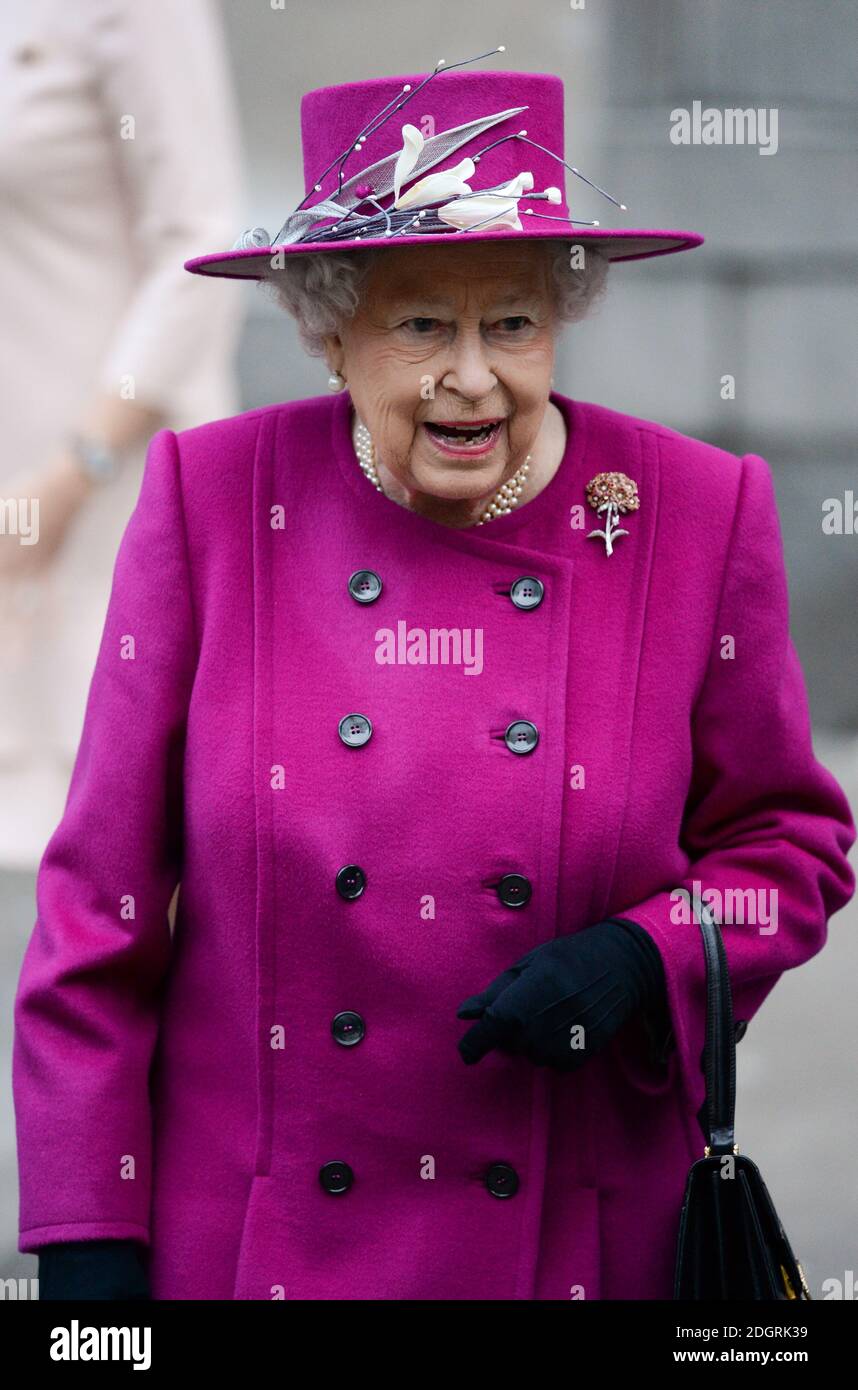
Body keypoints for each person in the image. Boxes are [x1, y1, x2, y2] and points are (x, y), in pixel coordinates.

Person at [15, 53, 855, 1301]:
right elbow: (99, 910)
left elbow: (788, 846)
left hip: (580, 1240)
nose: (474, 376)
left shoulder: (690, 509)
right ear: (330, 330)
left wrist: (652, 954)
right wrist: (87, 1246)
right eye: (422, 325)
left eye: (511, 322)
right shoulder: (213, 500)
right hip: (262, 1245)